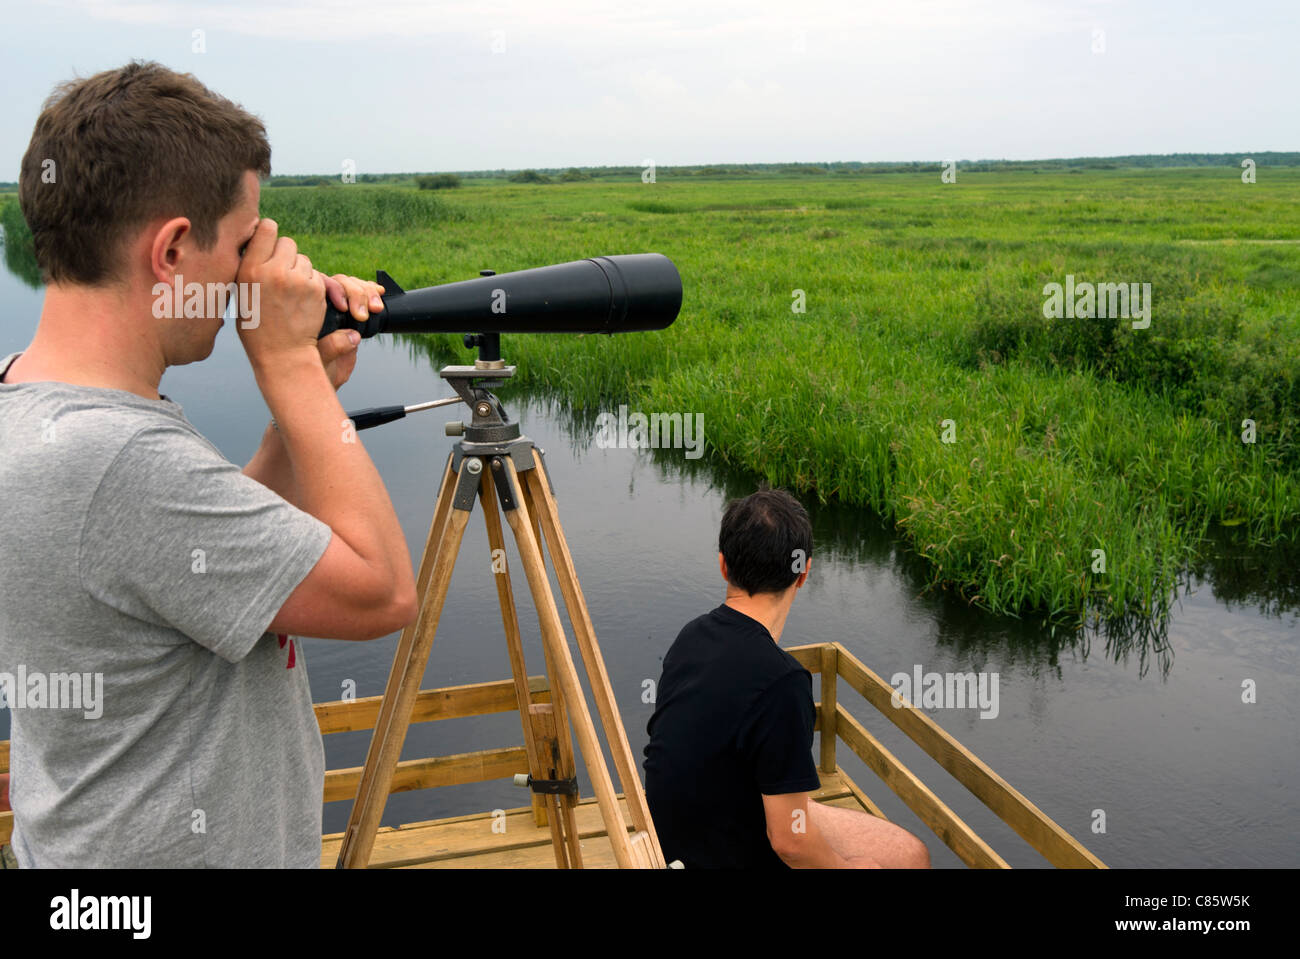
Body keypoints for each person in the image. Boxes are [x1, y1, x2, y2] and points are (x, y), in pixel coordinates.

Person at [0, 61, 418, 867]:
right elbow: (383, 590)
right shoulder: (115, 458)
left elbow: (197, 567)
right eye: (241, 246)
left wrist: (308, 405)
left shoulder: (35, 399)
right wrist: (288, 367)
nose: (245, 281)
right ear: (173, 249)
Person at [643, 488, 931, 868]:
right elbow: (790, 844)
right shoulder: (781, 681)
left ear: (723, 565)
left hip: (678, 837)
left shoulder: (691, 636)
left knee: (908, 851)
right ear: (803, 573)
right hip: (724, 852)